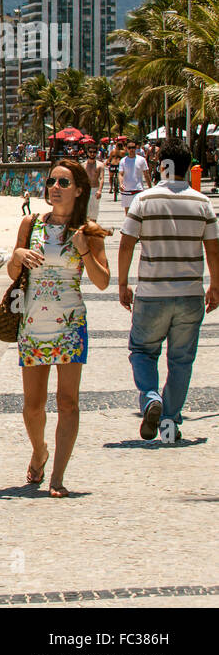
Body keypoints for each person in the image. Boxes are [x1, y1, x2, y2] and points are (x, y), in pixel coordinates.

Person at [9, 159, 110, 497]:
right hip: (34, 324)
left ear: (79, 190)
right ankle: (39, 450)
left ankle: (57, 476)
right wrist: (19, 254)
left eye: (64, 183)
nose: (55, 187)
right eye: (52, 181)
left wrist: (84, 251)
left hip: (70, 325)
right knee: (33, 405)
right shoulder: (31, 223)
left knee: (68, 402)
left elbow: (102, 281)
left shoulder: (88, 230)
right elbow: (12, 274)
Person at [118, 139, 219, 443]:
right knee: (181, 361)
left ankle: (150, 398)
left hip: (152, 294)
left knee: (142, 351)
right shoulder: (202, 203)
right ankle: (170, 424)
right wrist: (215, 285)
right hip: (190, 295)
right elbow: (213, 249)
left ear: (161, 165)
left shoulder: (144, 200)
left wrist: (123, 284)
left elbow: (126, 244)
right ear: (189, 168)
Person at [118, 140, 146, 210]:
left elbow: (146, 174)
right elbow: (120, 174)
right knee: (128, 213)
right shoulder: (123, 160)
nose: (131, 150)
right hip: (126, 190)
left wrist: (150, 186)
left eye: (133, 147)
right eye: (129, 148)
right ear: (126, 149)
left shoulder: (142, 160)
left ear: (136, 148)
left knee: (139, 211)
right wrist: (121, 184)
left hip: (138, 189)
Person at [83, 147, 104, 222]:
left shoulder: (100, 165)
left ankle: (92, 230)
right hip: (86, 191)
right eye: (90, 152)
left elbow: (101, 178)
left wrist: (100, 191)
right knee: (85, 212)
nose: (92, 154)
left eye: (94, 152)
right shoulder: (83, 165)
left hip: (95, 190)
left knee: (94, 213)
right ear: (87, 153)